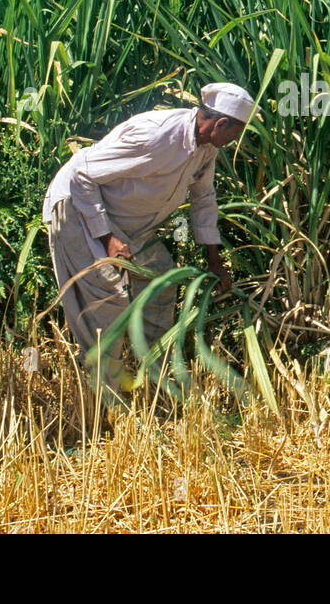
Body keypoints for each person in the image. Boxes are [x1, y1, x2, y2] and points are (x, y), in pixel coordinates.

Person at [43, 83, 257, 411]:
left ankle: (158, 383)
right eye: (235, 133)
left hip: (129, 224)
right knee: (108, 305)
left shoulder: (206, 147)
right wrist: (108, 239)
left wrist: (214, 262)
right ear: (220, 124)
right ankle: (108, 403)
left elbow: (204, 198)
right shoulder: (156, 136)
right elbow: (82, 174)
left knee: (161, 283)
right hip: (78, 209)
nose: (234, 142)